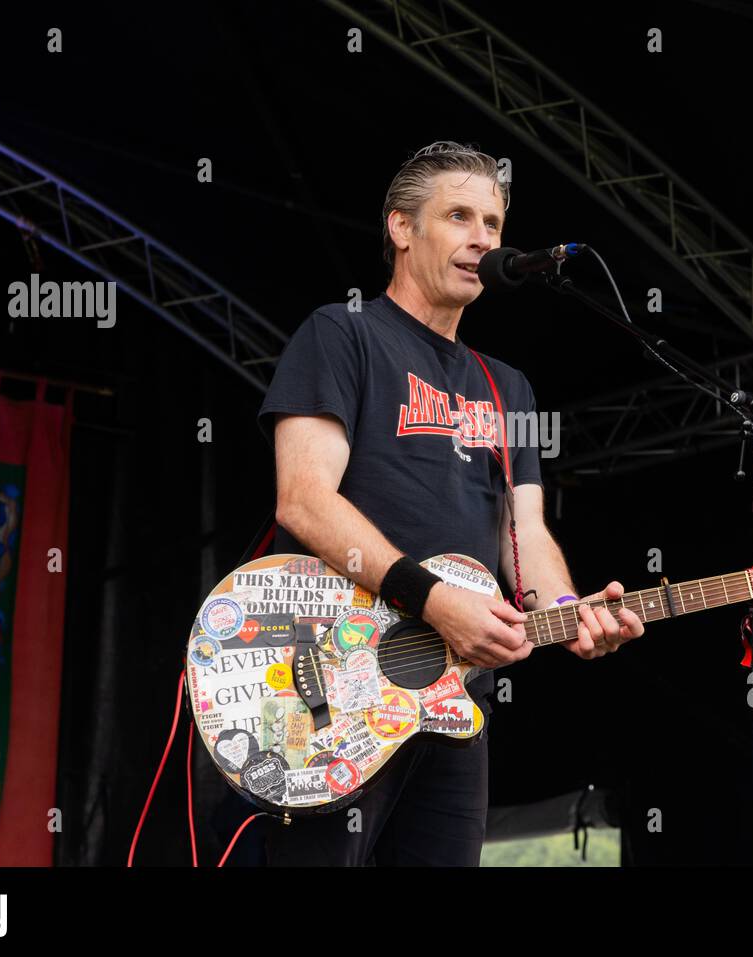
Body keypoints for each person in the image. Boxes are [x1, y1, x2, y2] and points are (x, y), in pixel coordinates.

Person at [220, 140, 644, 866]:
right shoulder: (343, 334)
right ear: (401, 228)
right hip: (330, 675)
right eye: (459, 215)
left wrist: (571, 608)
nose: (483, 237)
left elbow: (527, 530)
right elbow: (303, 499)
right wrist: (435, 598)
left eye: (493, 222)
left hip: (450, 699)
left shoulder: (508, 386)